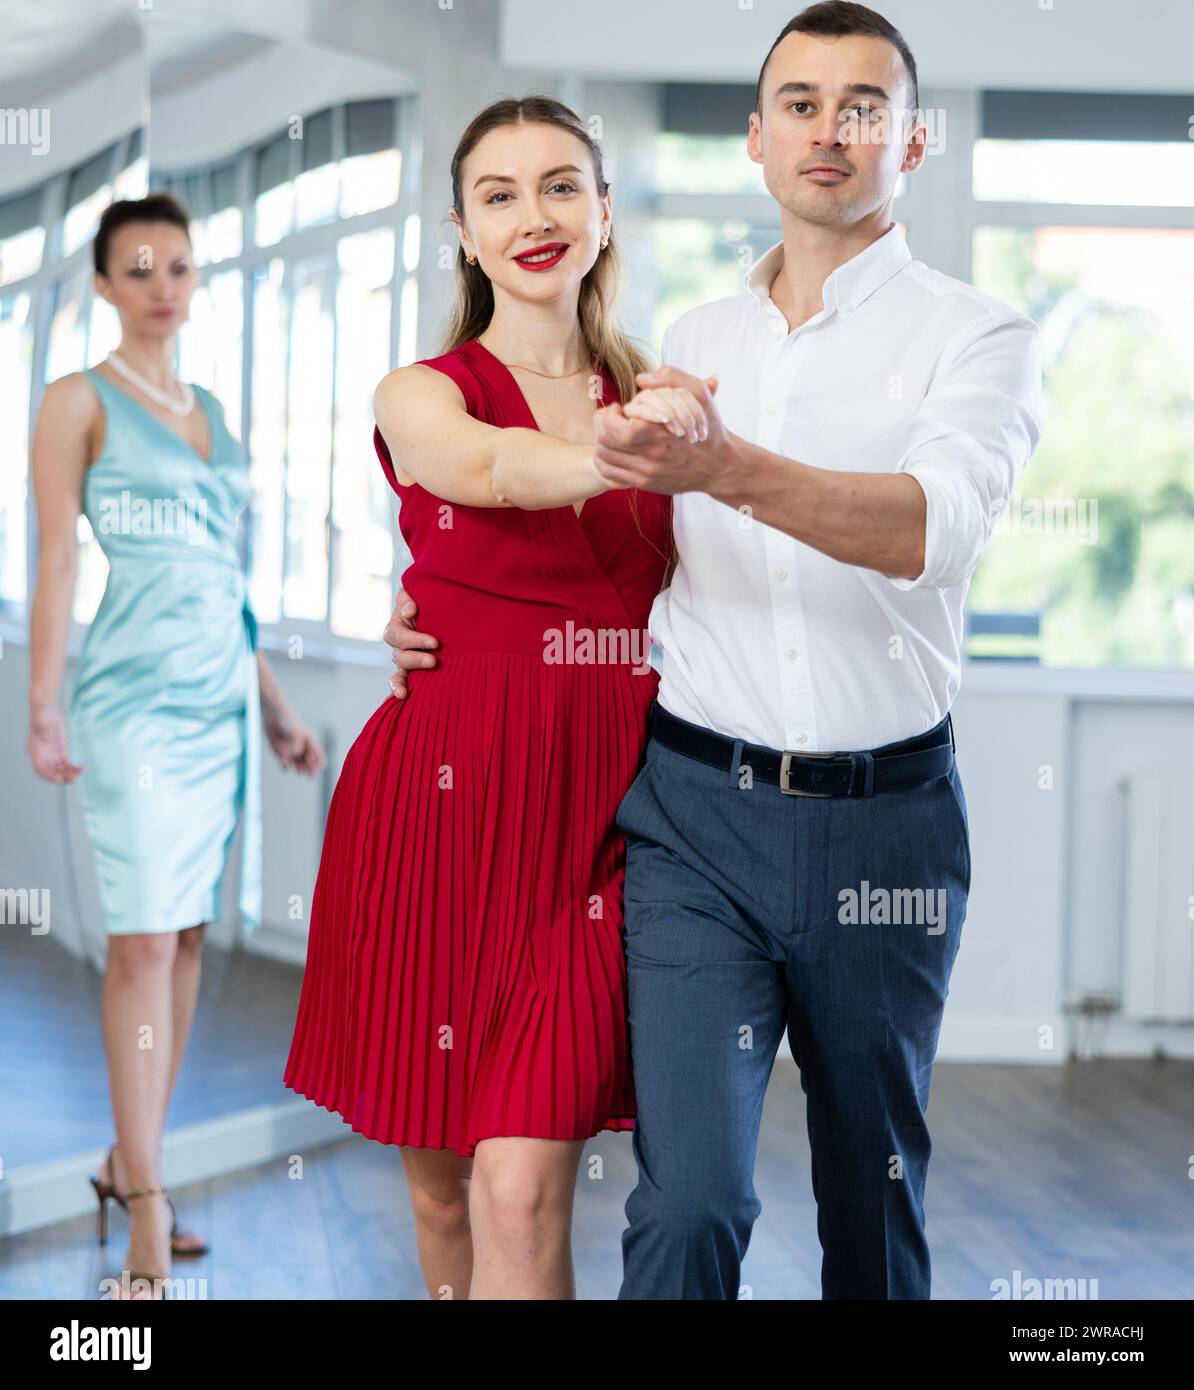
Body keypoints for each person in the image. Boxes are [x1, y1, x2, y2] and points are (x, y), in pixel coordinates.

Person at [385, 2, 1045, 1300]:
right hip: (691, 824)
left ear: (911, 140)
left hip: (883, 826)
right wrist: (421, 616)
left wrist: (725, 464)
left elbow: (929, 528)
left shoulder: (978, 335)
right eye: (799, 101)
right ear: (753, 138)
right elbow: (597, 546)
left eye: (865, 105)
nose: (830, 128)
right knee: (690, 1203)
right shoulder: (687, 346)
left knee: (872, 1205)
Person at [283, 96, 687, 1300]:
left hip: (610, 820)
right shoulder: (422, 392)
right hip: (439, 810)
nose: (534, 216)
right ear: (462, 231)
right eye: (499, 195)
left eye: (562, 185)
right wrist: (629, 451)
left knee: (519, 1181)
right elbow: (484, 470)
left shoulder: (662, 393)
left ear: (604, 211)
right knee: (438, 1185)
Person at [27, 193, 325, 1299]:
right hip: (132, 703)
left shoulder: (214, 413)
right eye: (139, 267)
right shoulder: (76, 400)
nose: (163, 284)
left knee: (189, 939)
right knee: (143, 945)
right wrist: (42, 701)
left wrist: (279, 708)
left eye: (180, 267)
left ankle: (128, 1161)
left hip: (219, 708)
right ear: (104, 285)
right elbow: (59, 560)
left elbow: (226, 586)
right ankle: (148, 1204)